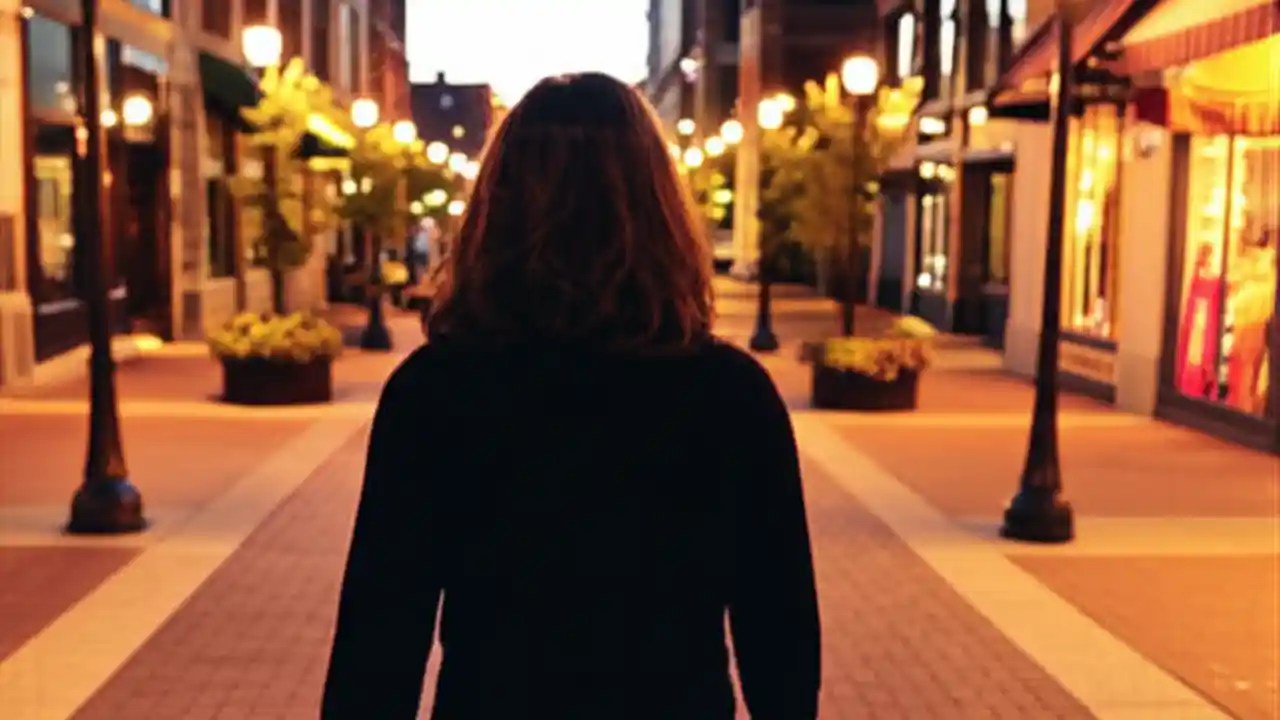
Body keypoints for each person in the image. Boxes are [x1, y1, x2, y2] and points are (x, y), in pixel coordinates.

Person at [322, 72, 820, 719]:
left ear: (496, 209)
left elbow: (379, 641)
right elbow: (779, 637)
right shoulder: (730, 396)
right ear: (659, 209)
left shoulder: (435, 393)